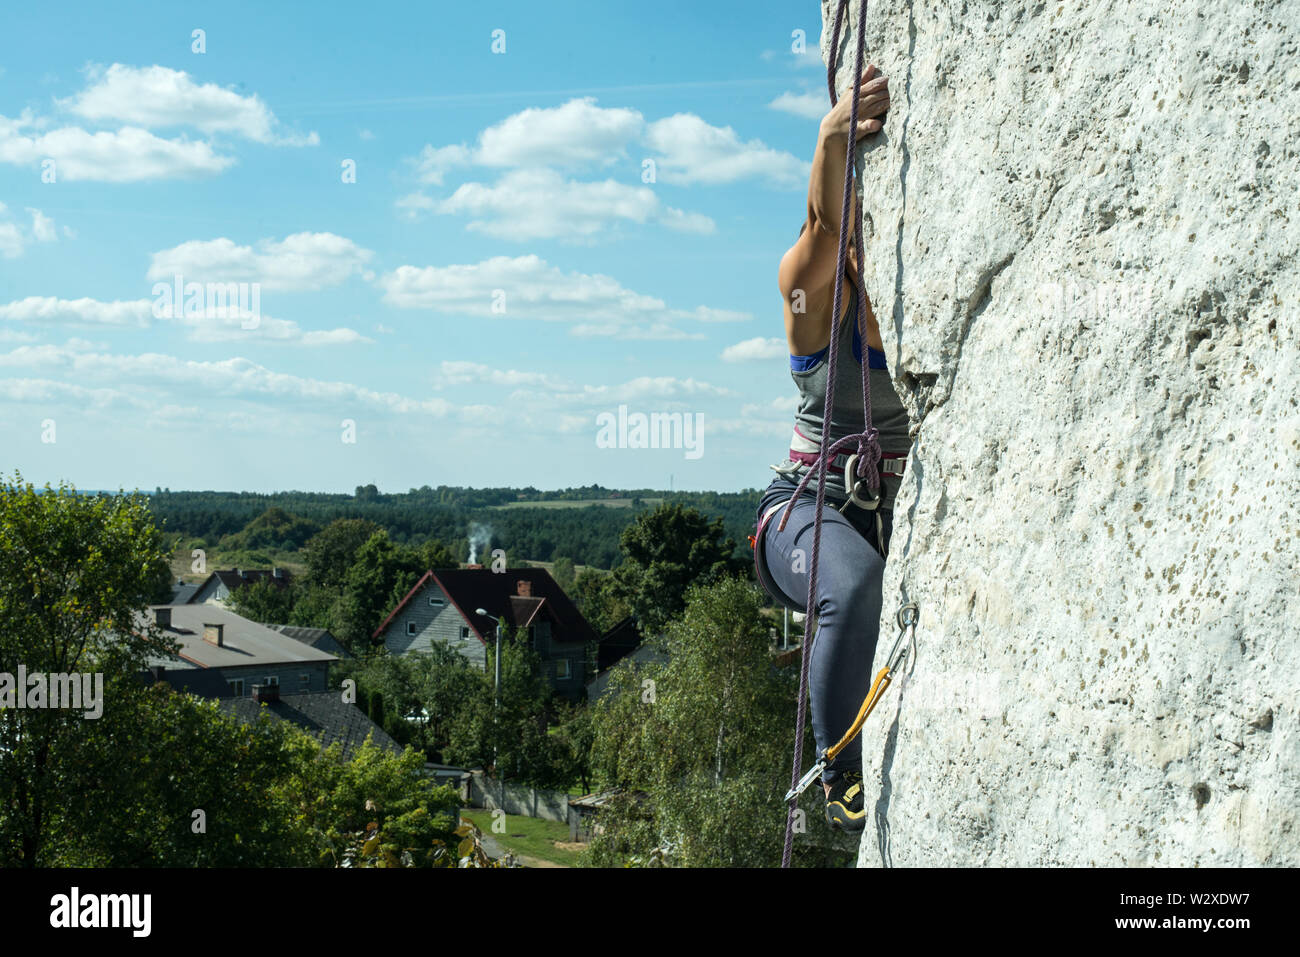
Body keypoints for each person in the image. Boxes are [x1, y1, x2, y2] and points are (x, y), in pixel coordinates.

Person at [752, 62, 910, 832]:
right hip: (806, 510)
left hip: (890, 511)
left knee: (871, 580)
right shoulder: (816, 298)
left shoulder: (914, 304)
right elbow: (817, 232)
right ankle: (836, 766)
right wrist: (830, 139)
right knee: (852, 587)